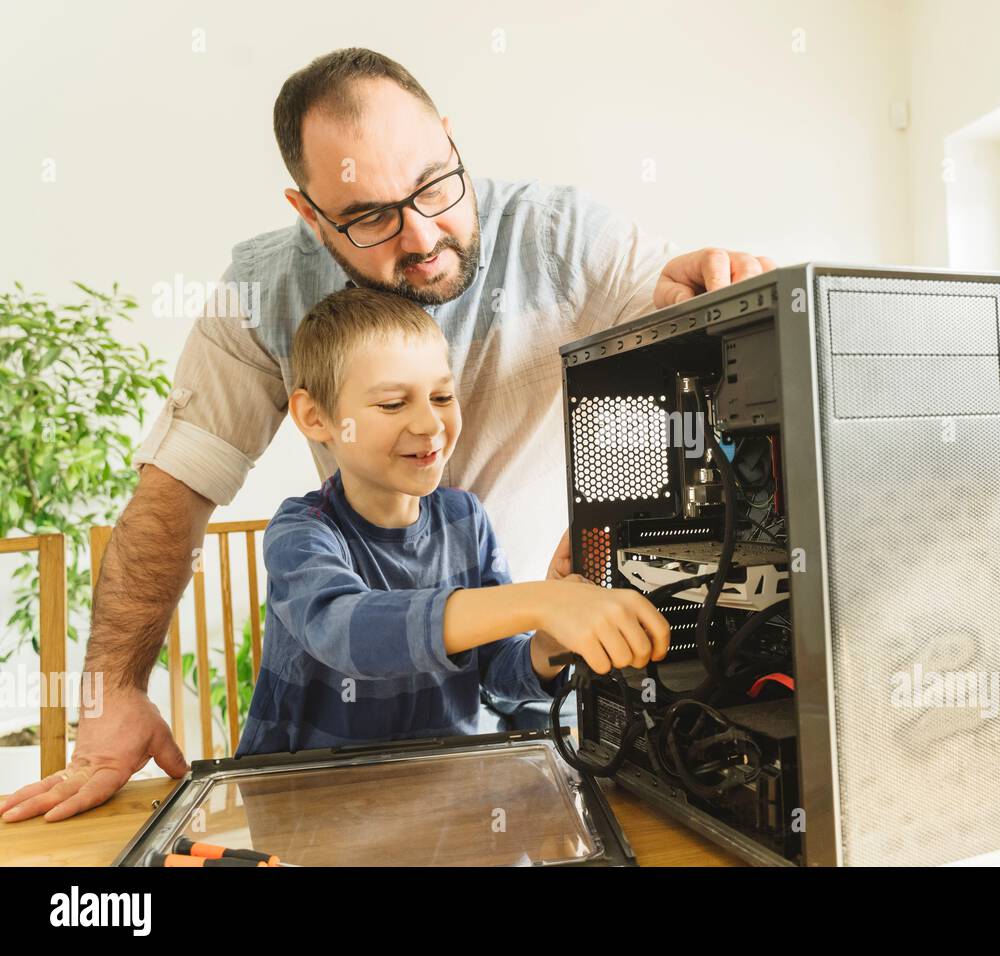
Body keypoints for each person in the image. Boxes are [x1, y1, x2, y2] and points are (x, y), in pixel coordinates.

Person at [0, 46, 772, 822]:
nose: (422, 234)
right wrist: (118, 688)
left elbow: (508, 668)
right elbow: (299, 591)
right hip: (316, 799)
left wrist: (691, 320)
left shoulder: (559, 249)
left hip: (491, 763)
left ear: (450, 137)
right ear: (310, 214)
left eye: (434, 185)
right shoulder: (302, 520)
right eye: (370, 215)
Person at [234, 286, 667, 756]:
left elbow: (498, 667)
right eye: (393, 404)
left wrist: (545, 642)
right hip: (303, 800)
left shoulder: (466, 517)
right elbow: (346, 632)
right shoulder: (303, 530)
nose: (430, 424)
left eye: (442, 396)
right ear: (316, 417)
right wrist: (541, 600)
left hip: (441, 790)